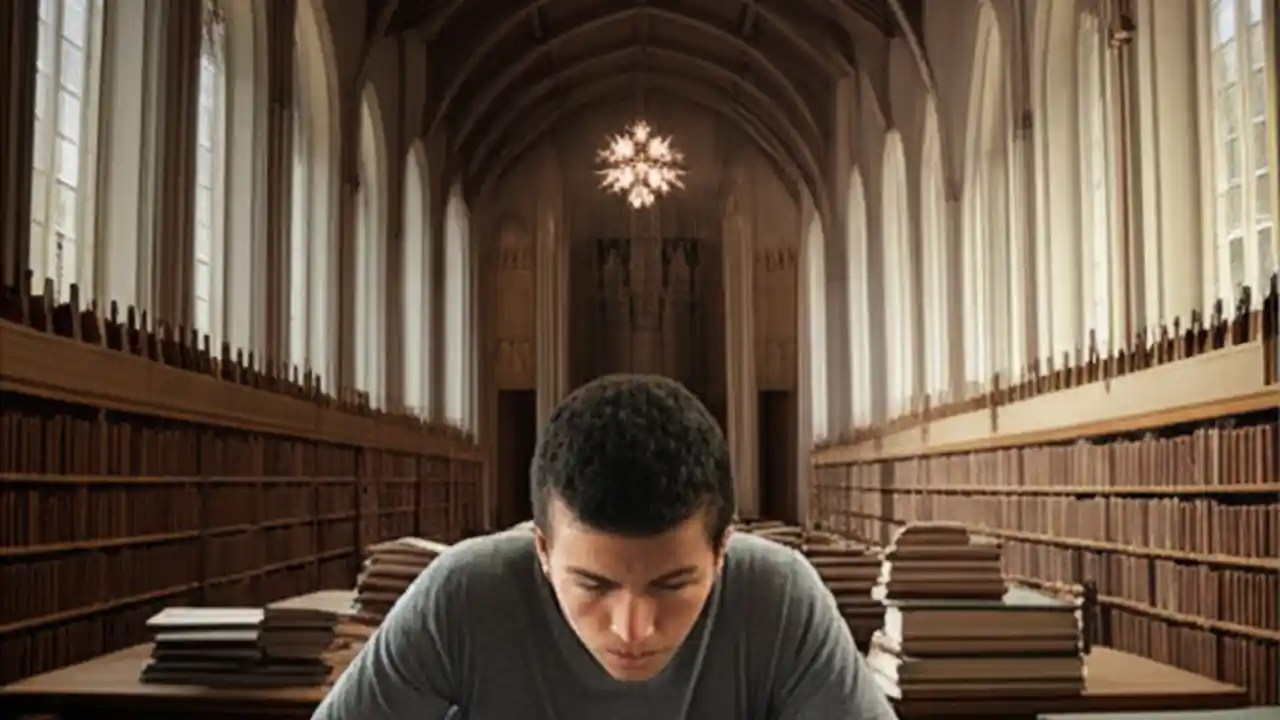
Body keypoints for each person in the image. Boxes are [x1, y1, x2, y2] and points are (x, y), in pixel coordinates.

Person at [312, 374, 897, 719]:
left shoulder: (782, 596)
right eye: (593, 584)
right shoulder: (463, 593)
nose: (633, 629)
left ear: (724, 549)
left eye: (673, 584)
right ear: (541, 549)